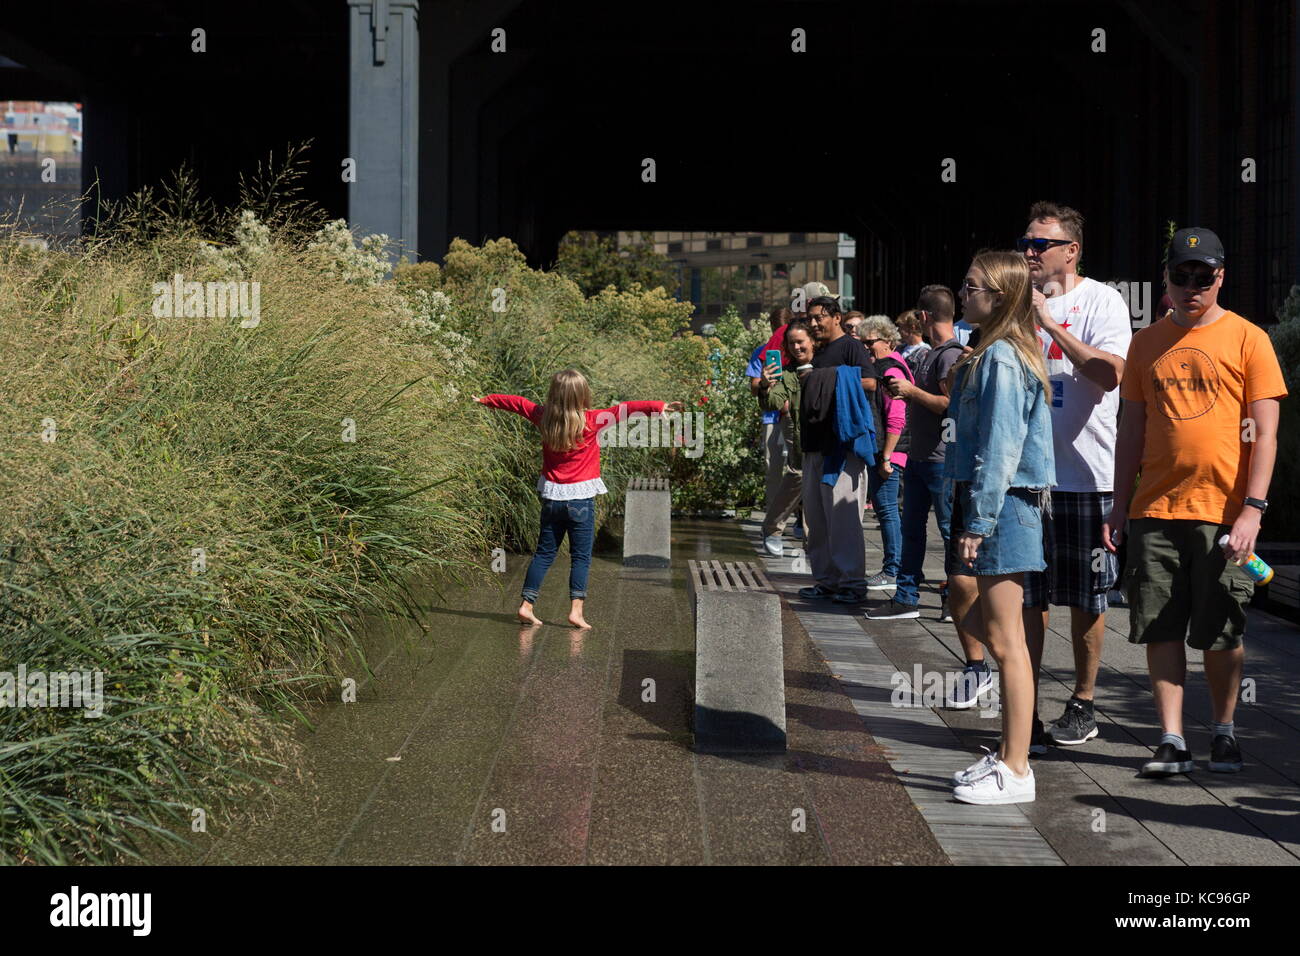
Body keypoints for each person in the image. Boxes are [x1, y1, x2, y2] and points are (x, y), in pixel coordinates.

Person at [1103, 227, 1287, 777]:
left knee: (1222, 626)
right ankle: (1172, 738)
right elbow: (1129, 430)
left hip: (1225, 514)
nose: (1191, 286)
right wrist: (1119, 504)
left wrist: (1253, 507)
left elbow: (1266, 433)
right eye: (1180, 275)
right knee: (1159, 624)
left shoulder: (1248, 338)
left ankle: (1225, 732)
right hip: (1155, 509)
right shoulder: (1145, 343)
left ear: (1220, 277)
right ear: (1166, 277)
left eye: (1202, 276)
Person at [1017, 201, 1132, 754]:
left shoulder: (1103, 301)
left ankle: (1083, 703)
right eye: (1027, 243)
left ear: (1071, 250)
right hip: (1029, 477)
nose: (1030, 252)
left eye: (1041, 244)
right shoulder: (1017, 300)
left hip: (1087, 478)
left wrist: (1049, 324)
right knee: (1027, 597)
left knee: (1087, 597)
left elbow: (1110, 375)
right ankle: (1027, 706)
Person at [946, 251, 1056, 805]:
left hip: (1005, 506)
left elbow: (1001, 446)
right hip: (1002, 504)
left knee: (1007, 642)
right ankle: (1009, 757)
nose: (962, 293)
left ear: (1000, 297)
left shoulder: (1002, 360)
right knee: (1001, 636)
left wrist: (980, 520)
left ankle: (1016, 770)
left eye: (972, 286)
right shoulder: (995, 354)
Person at [475, 371, 683, 629]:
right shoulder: (593, 420)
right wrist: (657, 407)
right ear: (583, 395)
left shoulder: (543, 417)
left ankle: (526, 605)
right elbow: (625, 409)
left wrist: (487, 399)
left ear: (553, 394)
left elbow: (517, 403)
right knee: (581, 557)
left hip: (552, 498)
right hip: (581, 502)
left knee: (544, 553)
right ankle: (576, 612)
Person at [869, 285, 965, 623]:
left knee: (950, 531)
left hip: (940, 462)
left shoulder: (950, 355)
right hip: (920, 458)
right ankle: (906, 596)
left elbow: (950, 405)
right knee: (913, 531)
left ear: (924, 317)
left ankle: (956, 600)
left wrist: (910, 391)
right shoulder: (931, 355)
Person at [797, 295, 880, 604]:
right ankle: (827, 580)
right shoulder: (818, 352)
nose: (814, 323)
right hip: (815, 446)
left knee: (843, 521)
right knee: (817, 522)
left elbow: (872, 382)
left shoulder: (850, 346)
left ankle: (852, 584)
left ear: (836, 317)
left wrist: (823, 378)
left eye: (819, 317)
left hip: (842, 448)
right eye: (810, 318)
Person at [857, 314, 913, 589]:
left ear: (888, 342)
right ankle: (895, 569)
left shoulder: (890, 370)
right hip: (890, 452)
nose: (866, 348)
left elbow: (896, 417)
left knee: (888, 511)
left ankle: (893, 571)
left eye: (871, 343)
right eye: (863, 343)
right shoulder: (888, 365)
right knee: (888, 511)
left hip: (891, 454)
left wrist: (887, 457)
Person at [758, 322, 816, 553]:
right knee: (800, 475)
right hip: (798, 429)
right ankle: (772, 527)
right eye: (791, 343)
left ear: (812, 340)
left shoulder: (825, 364)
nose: (796, 347)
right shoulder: (788, 373)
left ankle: (813, 543)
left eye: (800, 341)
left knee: (816, 481)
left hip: (825, 431)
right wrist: (765, 386)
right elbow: (771, 403)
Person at [748, 307, 797, 545]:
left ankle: (795, 518)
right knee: (774, 468)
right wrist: (765, 381)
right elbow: (753, 385)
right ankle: (774, 519)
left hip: (792, 414)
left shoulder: (798, 350)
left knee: (797, 469)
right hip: (771, 416)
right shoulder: (763, 352)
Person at [897, 309, 931, 374]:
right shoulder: (900, 348)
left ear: (912, 328)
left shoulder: (925, 353)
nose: (898, 330)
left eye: (901, 327)